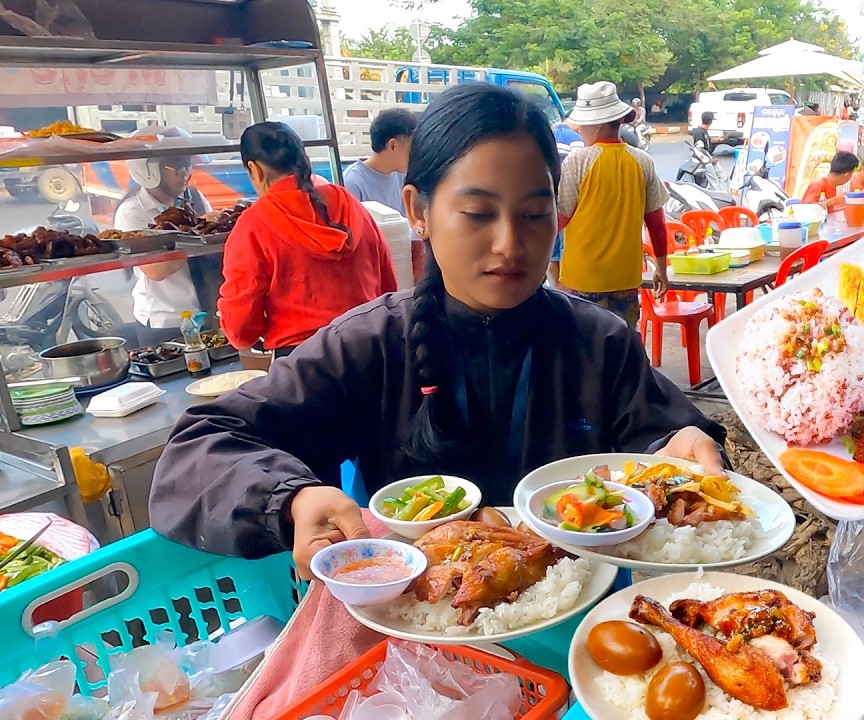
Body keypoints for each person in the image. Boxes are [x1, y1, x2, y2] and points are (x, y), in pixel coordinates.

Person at [148, 84, 727, 572]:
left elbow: (662, 440)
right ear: (418, 211)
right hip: (413, 622)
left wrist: (676, 450)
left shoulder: (600, 342)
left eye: (534, 213)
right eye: (477, 213)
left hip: (581, 618)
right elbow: (199, 447)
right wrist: (291, 499)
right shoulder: (370, 344)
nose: (510, 243)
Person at [218, 121, 397, 357]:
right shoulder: (351, 205)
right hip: (371, 349)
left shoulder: (254, 224)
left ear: (255, 170)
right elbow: (388, 286)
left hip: (302, 364)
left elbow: (240, 328)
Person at [558, 81, 670, 328]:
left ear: (596, 125)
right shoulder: (642, 161)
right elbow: (656, 222)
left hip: (582, 279)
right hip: (626, 280)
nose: (580, 131)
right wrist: (661, 267)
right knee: (624, 347)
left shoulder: (577, 161)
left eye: (583, 126)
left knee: (586, 352)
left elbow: (559, 218)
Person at [115, 129, 214, 346]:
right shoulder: (133, 212)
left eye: (188, 165)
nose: (185, 173)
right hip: (166, 321)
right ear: (149, 171)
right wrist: (196, 231)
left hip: (205, 312)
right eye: (177, 167)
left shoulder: (194, 197)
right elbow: (156, 270)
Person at [342, 108, 416, 215]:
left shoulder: (402, 177)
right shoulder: (352, 183)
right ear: (392, 145)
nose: (415, 154)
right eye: (411, 148)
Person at [548, 119, 585, 289]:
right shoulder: (578, 139)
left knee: (552, 257)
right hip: (571, 204)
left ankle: (557, 291)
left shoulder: (548, 136)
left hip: (550, 201)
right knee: (565, 255)